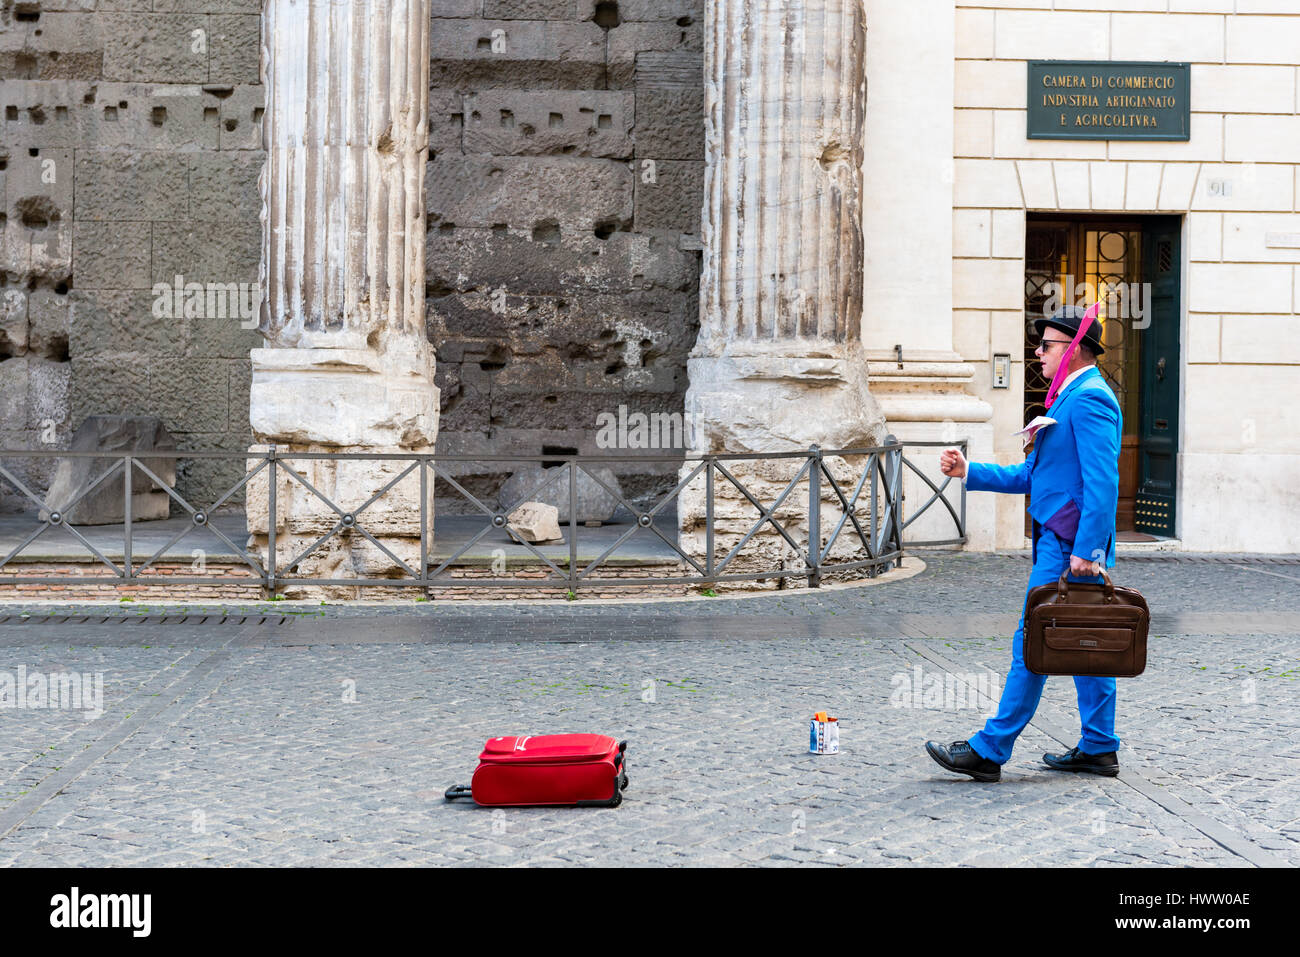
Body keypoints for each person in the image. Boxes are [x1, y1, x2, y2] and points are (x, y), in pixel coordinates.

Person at [925, 305, 1123, 783]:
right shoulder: (1067, 397)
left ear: (1074, 350)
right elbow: (1033, 476)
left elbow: (1104, 483)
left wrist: (1089, 553)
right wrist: (969, 471)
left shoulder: (1091, 398)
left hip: (1070, 548)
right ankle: (1098, 748)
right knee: (1088, 643)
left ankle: (989, 750)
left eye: (1047, 345)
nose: (1037, 353)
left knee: (1033, 641)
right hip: (1060, 543)